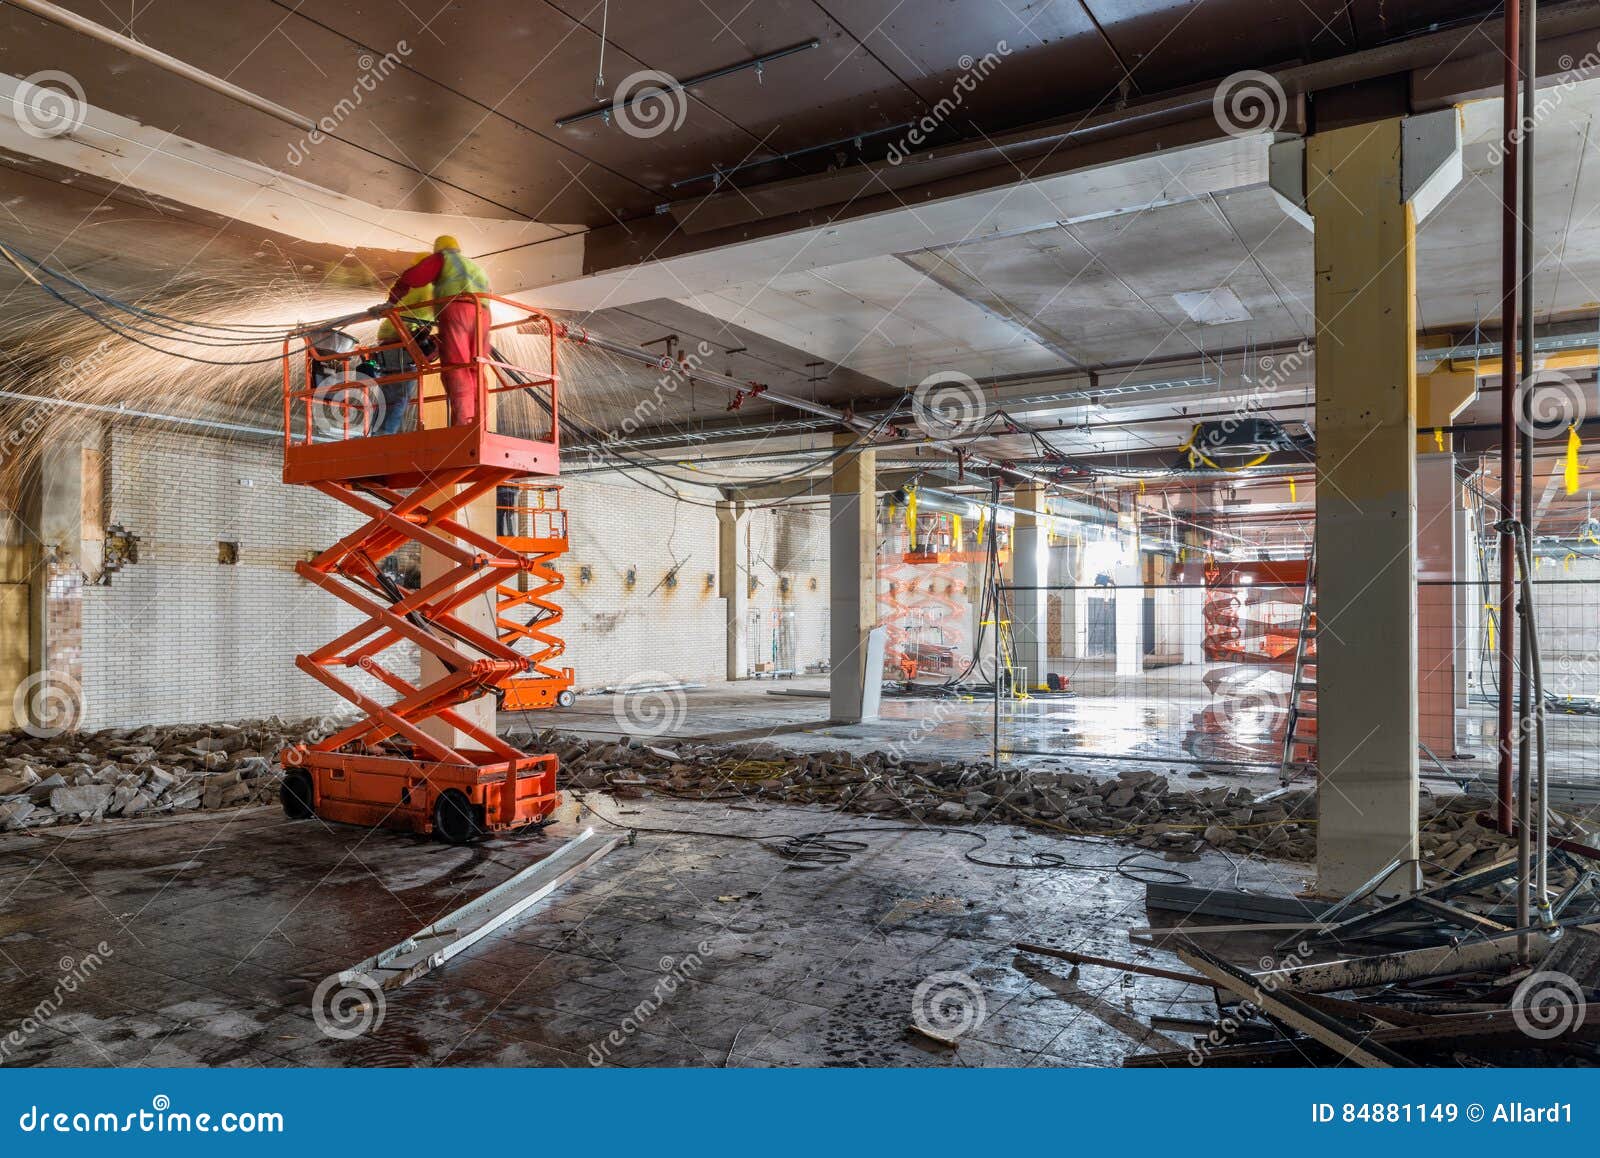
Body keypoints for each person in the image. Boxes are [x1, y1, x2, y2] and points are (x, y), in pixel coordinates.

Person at [379, 236, 490, 427]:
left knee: (456, 367)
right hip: (483, 315)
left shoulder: (443, 258)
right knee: (477, 367)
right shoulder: (475, 267)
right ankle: (480, 423)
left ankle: (463, 423)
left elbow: (413, 277)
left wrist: (391, 301)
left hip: (457, 310)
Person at [371, 253, 434, 435]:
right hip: (399, 342)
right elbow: (430, 313)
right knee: (400, 395)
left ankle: (376, 435)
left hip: (386, 341)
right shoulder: (428, 288)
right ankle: (385, 436)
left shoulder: (411, 286)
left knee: (386, 393)